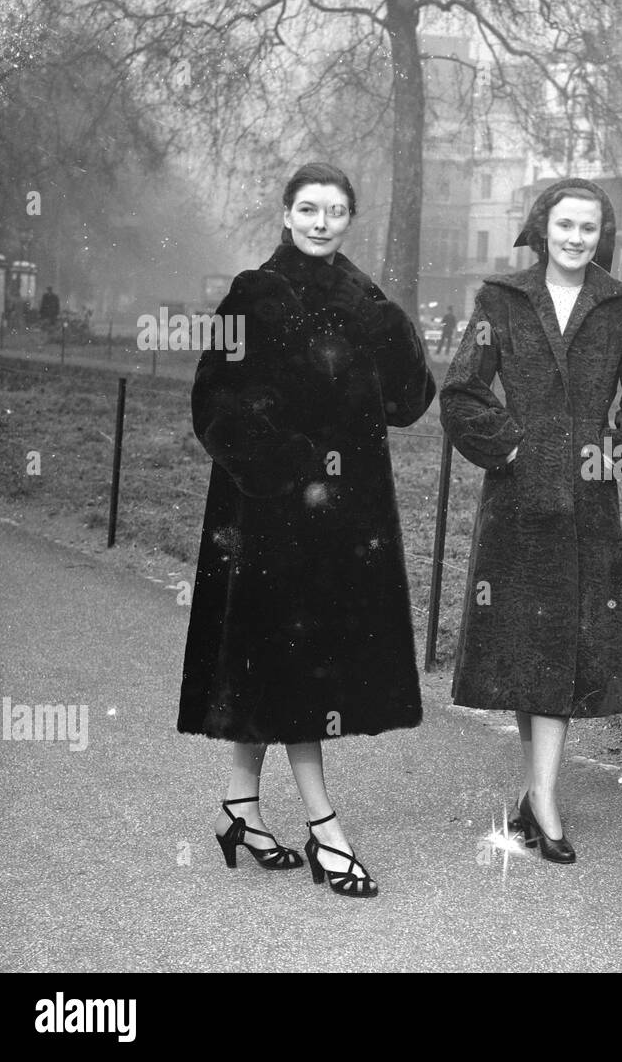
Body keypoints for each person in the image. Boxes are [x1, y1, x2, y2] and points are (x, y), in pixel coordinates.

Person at [179, 162, 436, 898]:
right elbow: (214, 404)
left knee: (275, 662)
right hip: (272, 517)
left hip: (345, 522)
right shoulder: (254, 295)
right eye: (309, 209)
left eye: (336, 211)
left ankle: (241, 809)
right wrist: (284, 468)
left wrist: (393, 330)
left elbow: (409, 403)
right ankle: (326, 831)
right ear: (287, 214)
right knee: (296, 668)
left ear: (350, 218)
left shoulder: (365, 300)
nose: (322, 222)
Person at [440, 177, 622, 864]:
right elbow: (461, 391)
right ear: (543, 227)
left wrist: (611, 454)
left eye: (589, 228)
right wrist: (512, 446)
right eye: (565, 225)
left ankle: (540, 798)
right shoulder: (502, 298)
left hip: (587, 506)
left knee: (563, 644)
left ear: (603, 235)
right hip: (516, 501)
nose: (576, 238)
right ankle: (538, 796)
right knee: (528, 646)